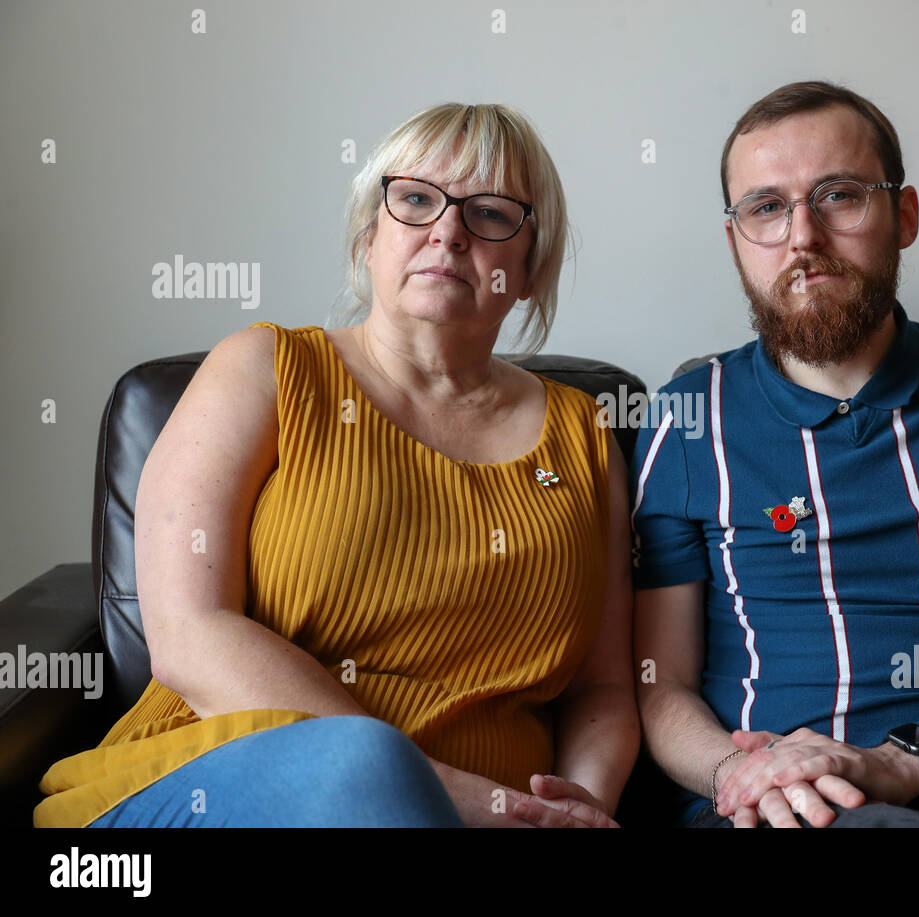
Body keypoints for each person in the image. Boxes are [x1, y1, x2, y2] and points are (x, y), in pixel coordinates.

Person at [34, 103, 639, 828]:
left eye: (489, 213)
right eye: (415, 199)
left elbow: (603, 688)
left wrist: (580, 810)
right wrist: (448, 788)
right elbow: (189, 633)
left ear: (531, 267)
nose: (447, 231)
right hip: (214, 783)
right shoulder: (264, 370)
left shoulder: (585, 435)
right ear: (369, 234)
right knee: (364, 766)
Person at [630, 81, 919, 828]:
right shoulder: (687, 418)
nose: (802, 236)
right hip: (751, 813)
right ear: (735, 240)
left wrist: (896, 763)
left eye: (839, 195)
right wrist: (742, 772)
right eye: (767, 208)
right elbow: (658, 682)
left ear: (903, 215)